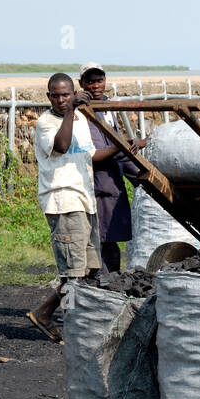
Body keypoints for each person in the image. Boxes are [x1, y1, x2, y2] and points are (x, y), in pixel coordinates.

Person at [26, 73, 122, 341]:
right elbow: (62, 145)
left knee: (89, 268)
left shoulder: (79, 119)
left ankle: (52, 315)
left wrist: (122, 147)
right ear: (48, 97)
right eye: (55, 95)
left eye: (66, 95)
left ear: (73, 92)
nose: (61, 99)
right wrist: (70, 111)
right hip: (62, 200)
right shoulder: (47, 123)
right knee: (73, 272)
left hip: (84, 199)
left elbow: (91, 154)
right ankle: (57, 319)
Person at [79, 63, 147, 274]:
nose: (95, 85)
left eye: (99, 80)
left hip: (113, 179)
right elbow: (98, 152)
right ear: (82, 84)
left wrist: (140, 177)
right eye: (90, 81)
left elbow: (118, 149)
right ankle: (102, 286)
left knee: (111, 238)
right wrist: (128, 145)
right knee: (101, 238)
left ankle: (111, 283)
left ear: (105, 81)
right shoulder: (84, 113)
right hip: (98, 181)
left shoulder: (106, 108)